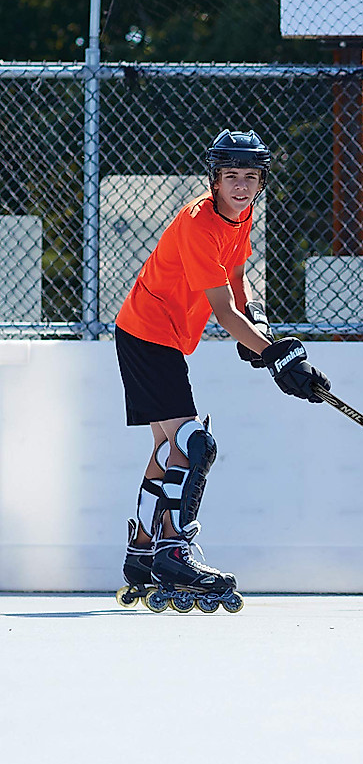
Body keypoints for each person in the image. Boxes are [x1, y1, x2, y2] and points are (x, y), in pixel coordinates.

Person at [114, 129, 331, 613]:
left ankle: (142, 551)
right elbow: (222, 312)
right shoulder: (199, 223)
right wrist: (278, 355)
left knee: (169, 447)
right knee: (196, 445)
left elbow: (236, 281)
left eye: (251, 177)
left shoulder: (242, 214)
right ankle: (174, 552)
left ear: (260, 182)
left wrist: (258, 319)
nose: (241, 186)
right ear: (214, 179)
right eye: (231, 176)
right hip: (148, 332)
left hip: (162, 336)